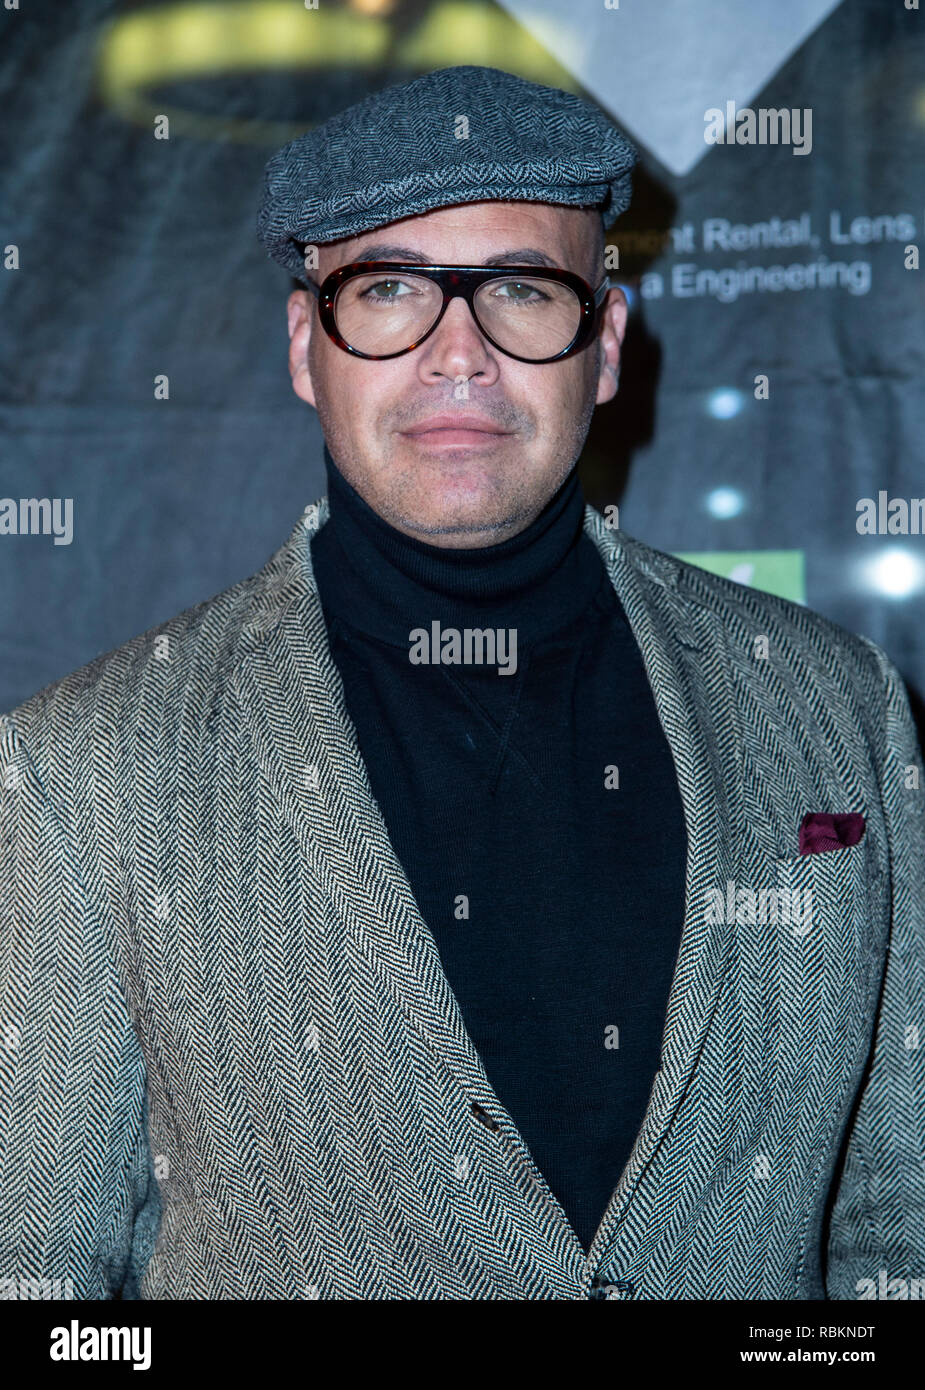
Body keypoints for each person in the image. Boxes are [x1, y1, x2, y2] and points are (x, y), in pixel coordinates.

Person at [1, 64, 923, 1302]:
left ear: (602, 344)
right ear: (302, 346)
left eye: (519, 292)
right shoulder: (82, 767)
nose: (458, 356)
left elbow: (898, 1228)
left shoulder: (834, 705)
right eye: (387, 290)